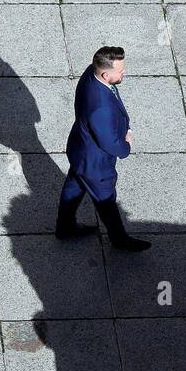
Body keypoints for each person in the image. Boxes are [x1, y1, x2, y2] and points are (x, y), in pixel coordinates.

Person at [56, 46, 150, 252]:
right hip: (95, 162)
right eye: (120, 71)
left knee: (75, 184)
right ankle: (119, 240)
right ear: (106, 75)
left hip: (80, 151)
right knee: (105, 200)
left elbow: (113, 100)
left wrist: (126, 125)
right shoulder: (101, 108)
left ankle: (65, 227)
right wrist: (126, 145)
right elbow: (110, 142)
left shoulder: (91, 73)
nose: (123, 72)